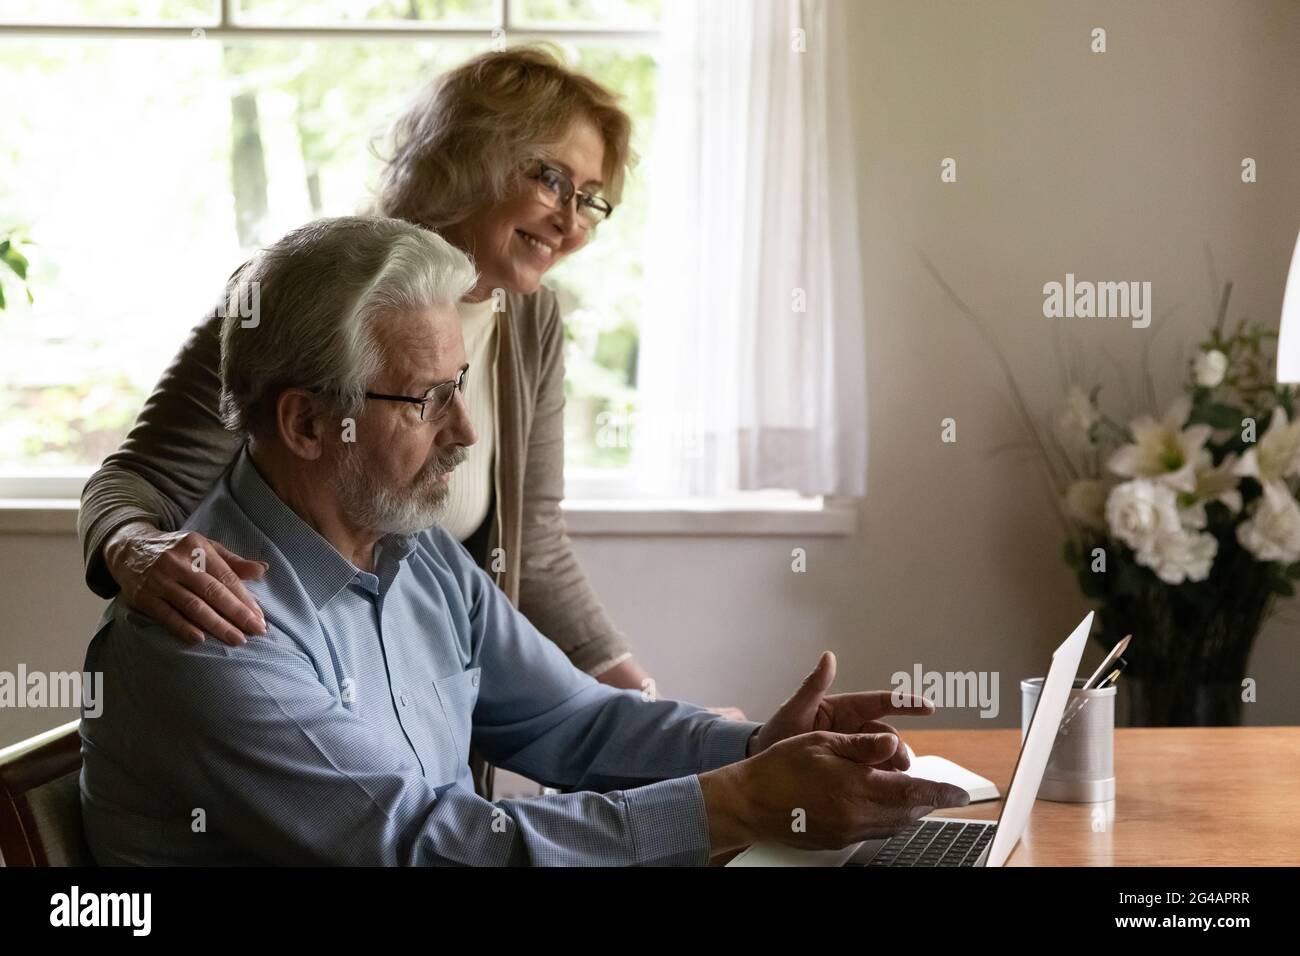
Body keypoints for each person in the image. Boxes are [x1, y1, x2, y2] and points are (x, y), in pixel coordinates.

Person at [80, 216, 967, 865]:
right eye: (427, 399)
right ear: (309, 423)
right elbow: (419, 849)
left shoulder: (414, 549)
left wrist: (750, 751)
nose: (464, 433)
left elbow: (573, 723)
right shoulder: (206, 630)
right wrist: (739, 803)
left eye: (459, 387)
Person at [75, 45, 743, 736]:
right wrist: (134, 548)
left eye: (590, 198)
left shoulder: (532, 317)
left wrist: (649, 706)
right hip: (265, 664)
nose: (571, 222)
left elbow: (534, 549)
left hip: (423, 690)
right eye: (552, 180)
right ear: (467, 156)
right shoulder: (309, 290)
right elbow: (134, 482)